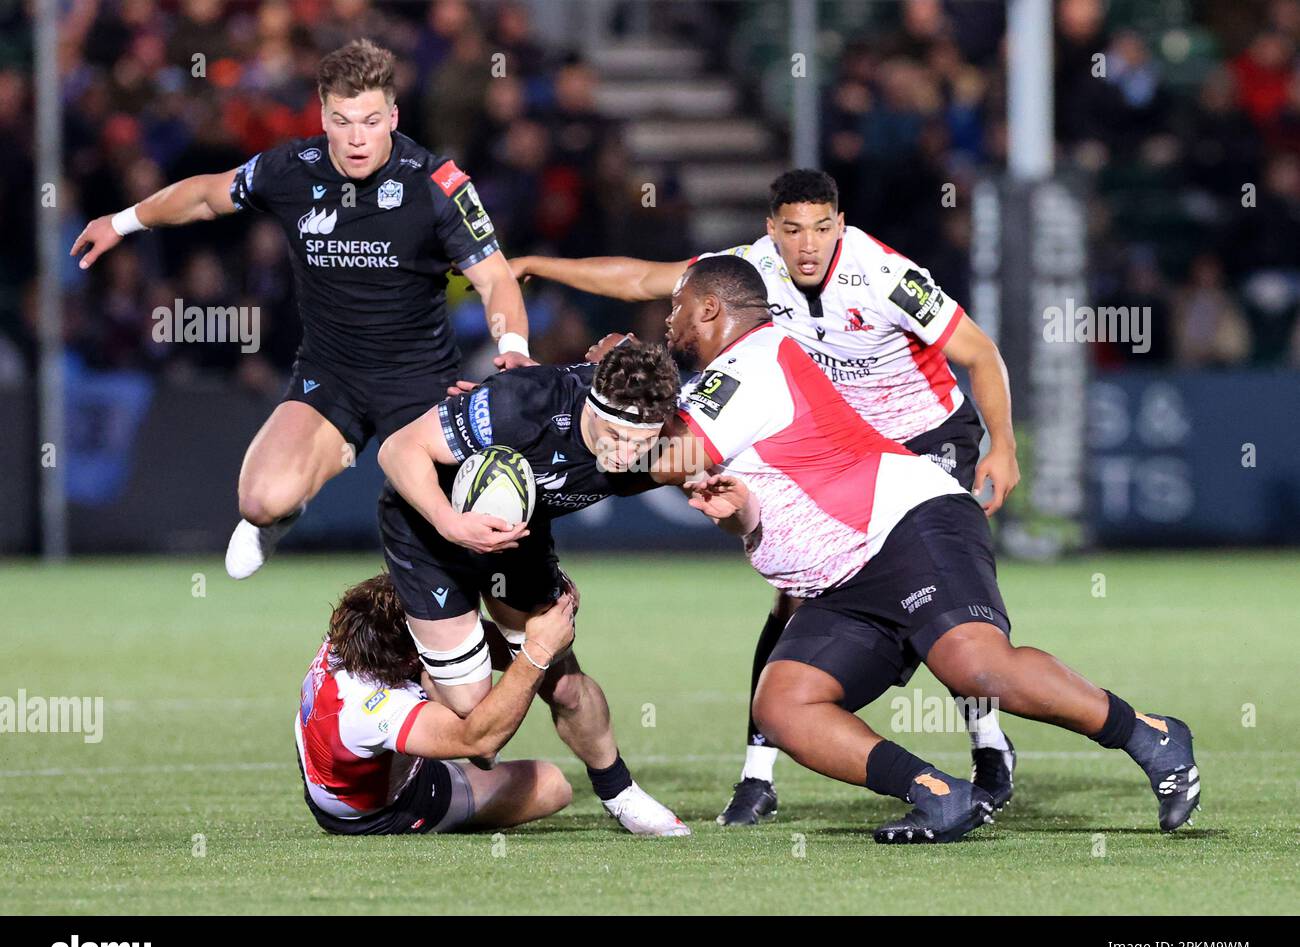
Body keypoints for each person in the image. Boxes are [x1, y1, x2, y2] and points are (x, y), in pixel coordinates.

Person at [512, 169, 1019, 826]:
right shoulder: (747, 271)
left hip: (924, 431)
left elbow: (979, 352)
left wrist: (1003, 444)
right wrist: (537, 264)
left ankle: (987, 746)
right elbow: (642, 278)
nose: (807, 245)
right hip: (838, 441)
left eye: (821, 227)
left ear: (840, 223)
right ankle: (759, 775)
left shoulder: (886, 273)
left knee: (946, 605)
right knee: (793, 597)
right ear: (770, 230)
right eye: (791, 229)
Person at [648, 255, 1200, 842]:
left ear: (709, 308)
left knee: (979, 667)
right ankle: (939, 796)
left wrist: (610, 400)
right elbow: (749, 498)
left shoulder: (749, 362)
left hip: (906, 524)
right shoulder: (732, 377)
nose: (667, 320)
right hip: (843, 577)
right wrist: (739, 513)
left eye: (676, 305)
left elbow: (667, 460)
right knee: (784, 705)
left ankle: (1149, 733)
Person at [70, 38, 530, 580]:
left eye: (371, 121)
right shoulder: (292, 168)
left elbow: (496, 277)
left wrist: (514, 349)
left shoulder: (437, 185)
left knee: (465, 544)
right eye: (342, 121)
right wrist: (121, 222)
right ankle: (286, 510)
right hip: (329, 375)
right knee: (260, 501)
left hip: (420, 385)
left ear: (394, 116)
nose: (357, 138)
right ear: (323, 115)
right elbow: (204, 196)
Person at [375, 342, 693, 836]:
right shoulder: (520, 405)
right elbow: (396, 448)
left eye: (641, 441)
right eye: (614, 434)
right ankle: (423, 662)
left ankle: (620, 793)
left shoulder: (667, 430)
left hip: (519, 536)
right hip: (430, 534)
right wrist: (449, 523)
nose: (626, 453)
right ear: (592, 402)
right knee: (476, 726)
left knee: (563, 682)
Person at [296, 572, 575, 835]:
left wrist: (523, 638)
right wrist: (539, 649)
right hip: (374, 809)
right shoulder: (375, 707)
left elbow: (452, 642)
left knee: (447, 681)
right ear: (409, 659)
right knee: (550, 784)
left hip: (334, 766)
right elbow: (480, 742)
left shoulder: (354, 634)